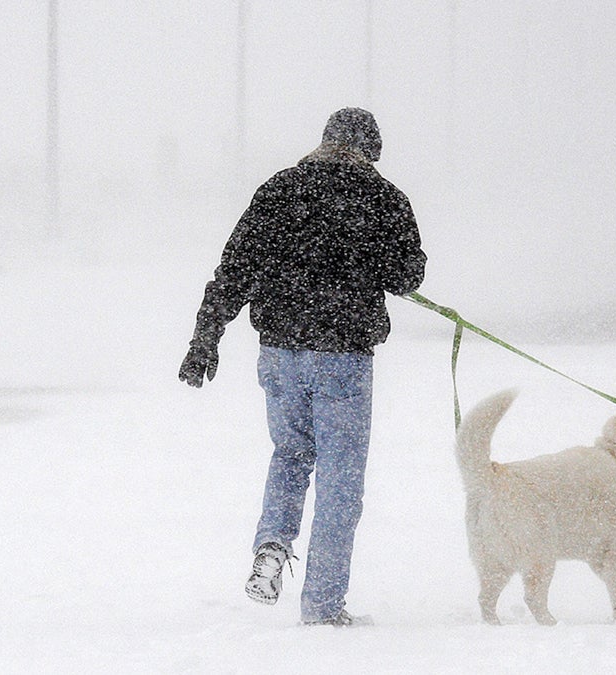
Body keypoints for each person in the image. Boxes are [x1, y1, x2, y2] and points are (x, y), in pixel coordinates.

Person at [179, 107, 427, 626]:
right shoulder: (383, 198)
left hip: (280, 351)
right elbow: (406, 275)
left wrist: (207, 332)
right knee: (340, 481)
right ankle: (322, 605)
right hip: (342, 356)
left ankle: (272, 545)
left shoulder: (280, 188)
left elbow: (237, 264)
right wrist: (364, 254)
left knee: (291, 455)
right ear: (372, 150)